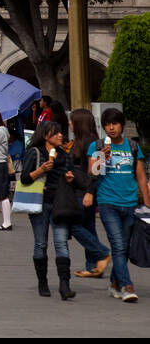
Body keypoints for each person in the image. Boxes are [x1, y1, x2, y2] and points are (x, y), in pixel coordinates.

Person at [87, 107, 148, 303]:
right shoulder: (97, 145)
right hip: (108, 203)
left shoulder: (132, 146)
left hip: (130, 203)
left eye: (114, 124)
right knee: (118, 245)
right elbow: (92, 172)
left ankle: (114, 283)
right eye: (107, 124)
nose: (111, 128)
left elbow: (140, 176)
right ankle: (126, 286)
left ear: (121, 125)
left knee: (124, 247)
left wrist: (147, 204)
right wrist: (103, 156)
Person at [21, 121, 81, 299]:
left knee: (61, 242)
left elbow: (71, 174)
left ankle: (64, 284)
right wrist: (41, 169)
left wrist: (71, 177)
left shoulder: (64, 154)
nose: (60, 136)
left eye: (61, 133)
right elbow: (25, 178)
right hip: (39, 203)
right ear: (46, 136)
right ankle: (42, 281)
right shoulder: (35, 152)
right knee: (41, 243)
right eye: (56, 134)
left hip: (59, 203)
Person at [67, 108, 110, 279]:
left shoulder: (91, 141)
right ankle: (94, 266)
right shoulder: (78, 141)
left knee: (73, 225)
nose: (69, 124)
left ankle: (102, 253)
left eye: (71, 121)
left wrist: (89, 192)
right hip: (80, 189)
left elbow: (95, 169)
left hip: (84, 190)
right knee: (89, 227)